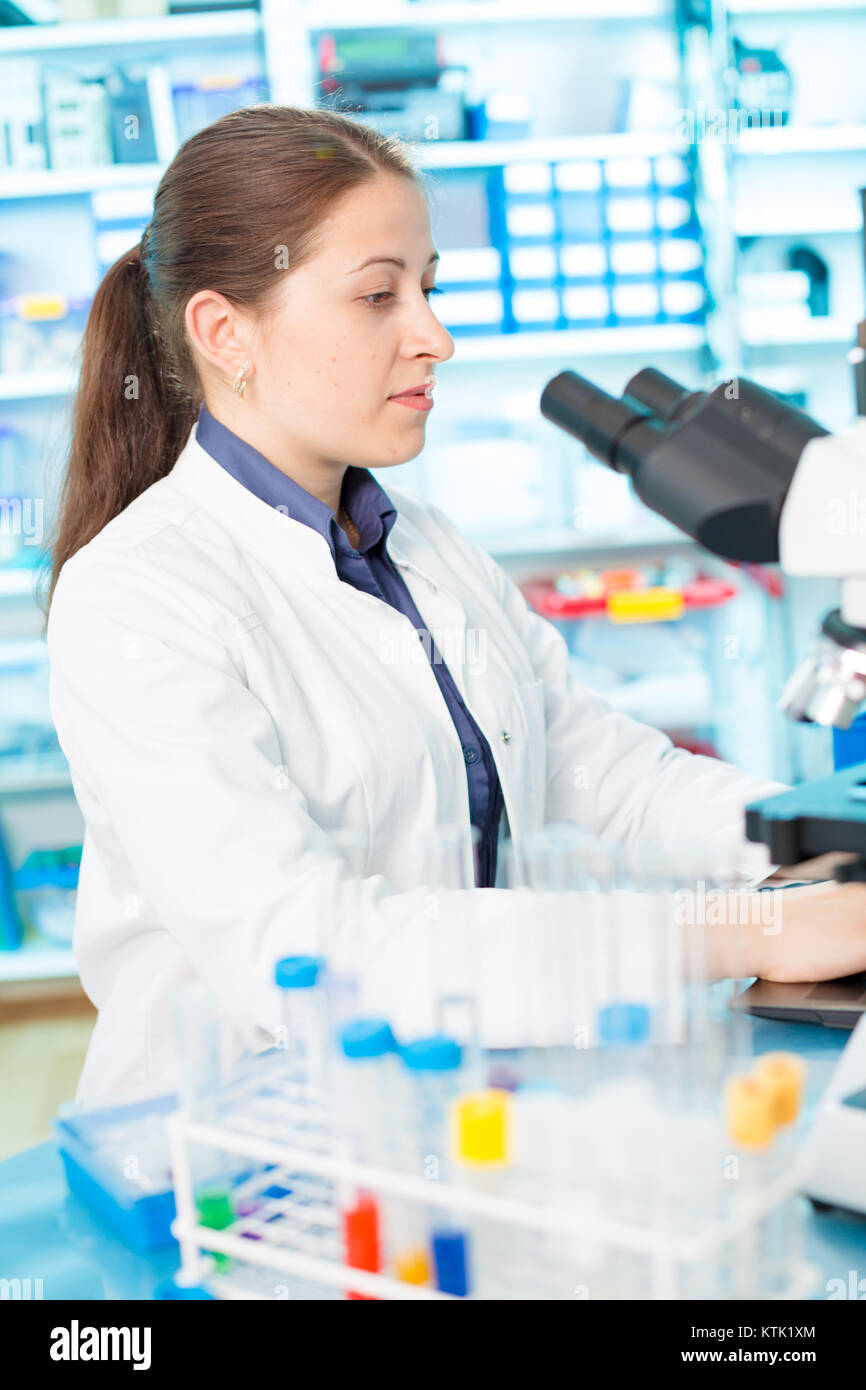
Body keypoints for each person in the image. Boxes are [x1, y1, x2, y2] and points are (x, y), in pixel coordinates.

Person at [43, 105, 866, 1104]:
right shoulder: (136, 595)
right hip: (230, 1151)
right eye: (377, 296)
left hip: (448, 1110)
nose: (433, 336)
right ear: (225, 332)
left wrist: (802, 843)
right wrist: (744, 928)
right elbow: (301, 950)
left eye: (427, 289)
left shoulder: (425, 546)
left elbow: (600, 776)